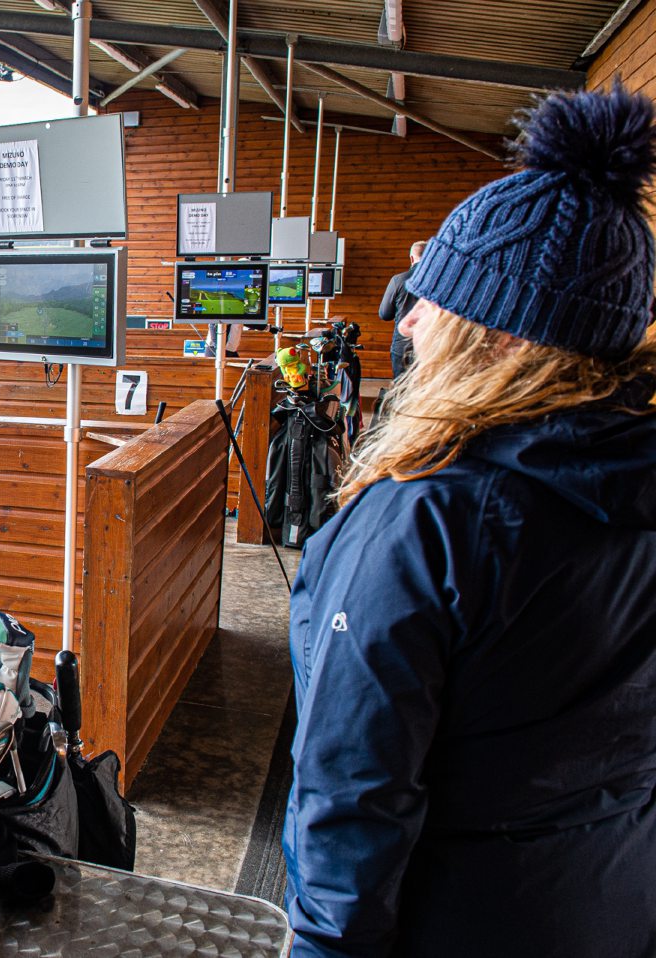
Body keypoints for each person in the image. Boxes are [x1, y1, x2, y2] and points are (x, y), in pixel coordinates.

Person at [283, 84, 656, 957]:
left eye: (435, 304)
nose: (407, 321)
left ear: (506, 338)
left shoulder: (426, 520)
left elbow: (351, 795)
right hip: (610, 903)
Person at [378, 239, 428, 378]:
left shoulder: (399, 280)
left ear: (412, 258)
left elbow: (385, 314)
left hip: (403, 346)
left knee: (402, 391)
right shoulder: (440, 281)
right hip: (430, 344)